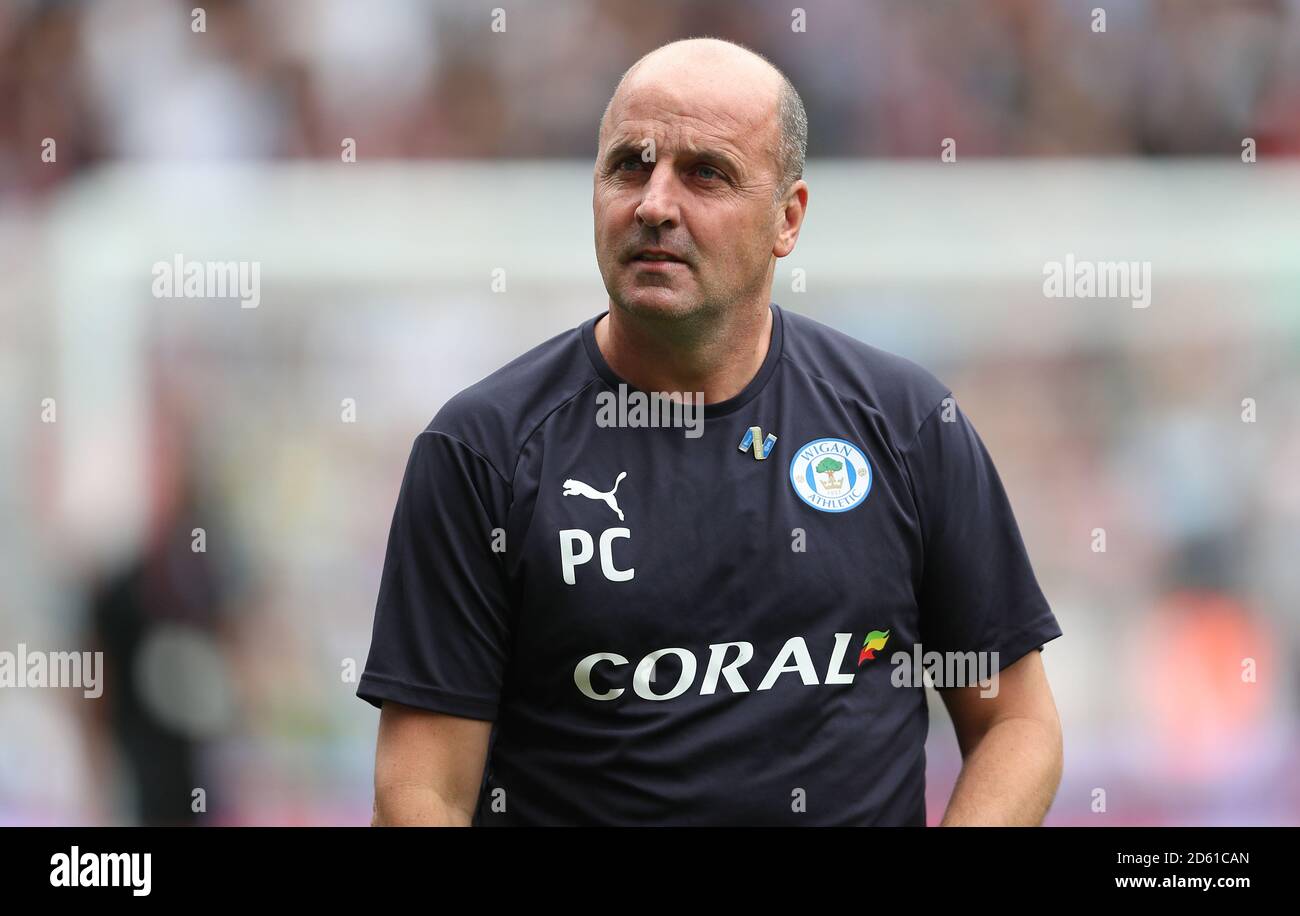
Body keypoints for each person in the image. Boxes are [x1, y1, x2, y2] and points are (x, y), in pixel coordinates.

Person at [358, 37, 1063, 826]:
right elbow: (422, 792)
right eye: (630, 165)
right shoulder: (483, 453)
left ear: (786, 219)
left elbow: (1016, 721)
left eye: (705, 173)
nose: (655, 203)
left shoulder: (903, 427)